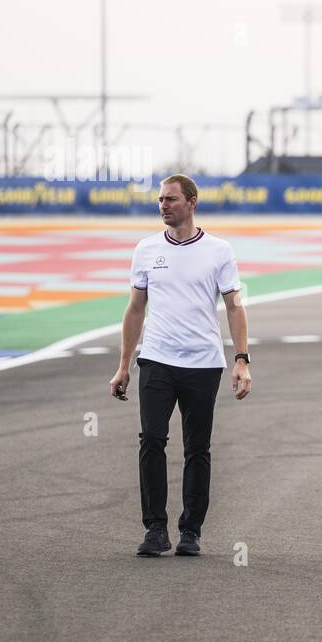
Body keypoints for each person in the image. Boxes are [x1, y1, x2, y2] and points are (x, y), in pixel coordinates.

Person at [109, 174, 252, 557]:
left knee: (197, 448)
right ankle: (155, 529)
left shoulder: (219, 250)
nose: (163, 206)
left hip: (203, 364)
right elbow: (135, 309)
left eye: (170, 199)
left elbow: (235, 306)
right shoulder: (146, 249)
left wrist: (241, 359)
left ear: (191, 201)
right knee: (152, 441)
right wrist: (124, 365)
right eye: (159, 200)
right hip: (155, 360)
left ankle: (191, 530)